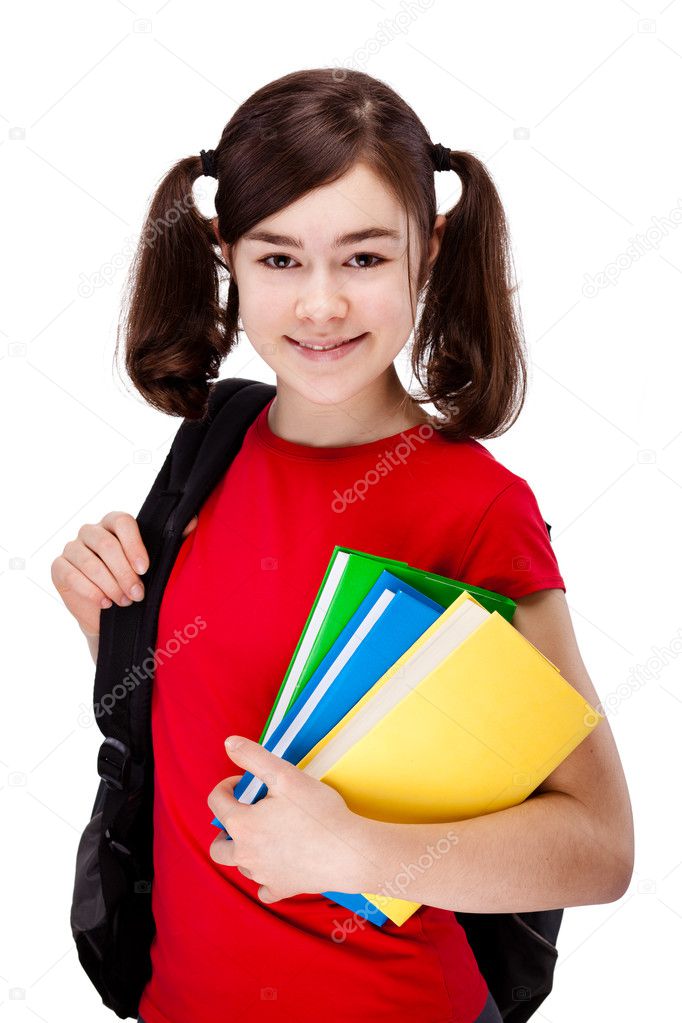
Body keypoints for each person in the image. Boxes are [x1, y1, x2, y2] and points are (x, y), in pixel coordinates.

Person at [52, 67, 634, 1023]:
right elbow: (211, 730)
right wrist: (113, 626)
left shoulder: (478, 507)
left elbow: (601, 847)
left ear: (429, 254)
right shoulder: (213, 443)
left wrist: (357, 853)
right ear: (225, 258)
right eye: (279, 260)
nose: (320, 304)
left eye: (363, 258)